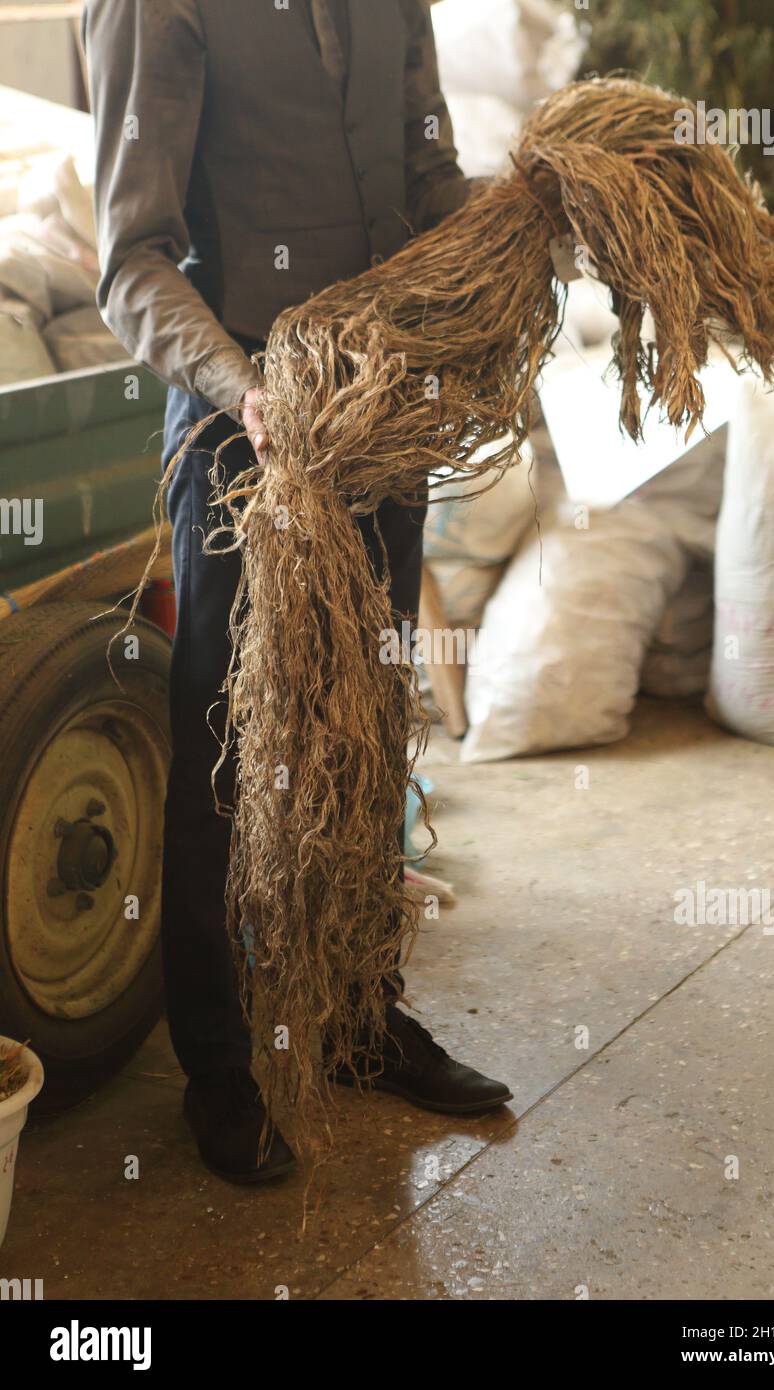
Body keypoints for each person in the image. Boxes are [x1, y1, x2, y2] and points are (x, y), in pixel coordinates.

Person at [83, 0, 512, 1184]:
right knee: (229, 748)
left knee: (368, 729)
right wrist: (244, 389)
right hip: (243, 442)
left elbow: (426, 172)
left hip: (376, 418)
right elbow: (131, 258)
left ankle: (360, 1018)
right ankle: (221, 1067)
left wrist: (528, 213)